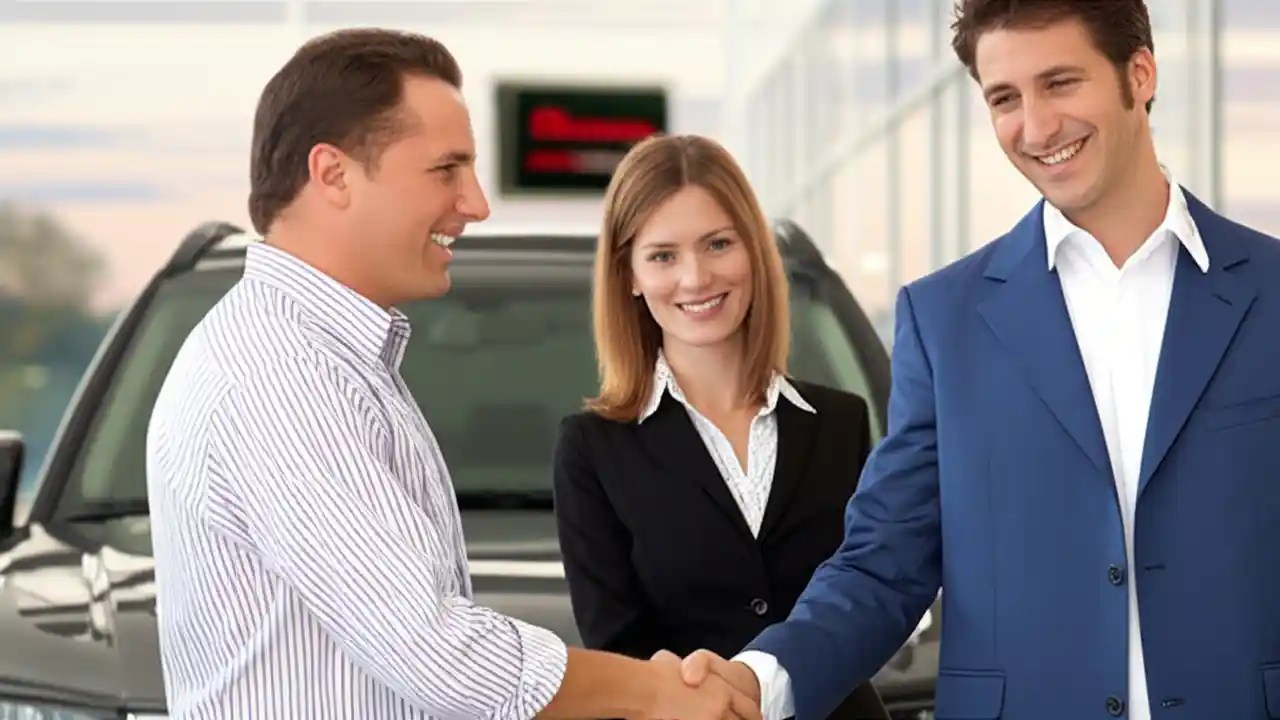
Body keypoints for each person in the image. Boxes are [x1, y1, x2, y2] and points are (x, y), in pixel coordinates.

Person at [676, 1, 1280, 719]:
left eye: (1060, 83)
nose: (1036, 126)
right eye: (1004, 98)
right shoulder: (945, 319)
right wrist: (760, 678)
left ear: (1140, 74)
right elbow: (884, 563)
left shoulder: (1269, 292)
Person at [144, 28, 760, 720]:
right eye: (447, 169)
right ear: (333, 174)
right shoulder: (279, 376)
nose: (476, 202)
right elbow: (440, 656)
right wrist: (654, 693)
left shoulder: (327, 358)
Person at [550, 134, 890, 720]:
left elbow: (867, 600)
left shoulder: (840, 423)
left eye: (717, 244)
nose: (696, 277)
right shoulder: (593, 448)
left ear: (753, 252)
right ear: (628, 274)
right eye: (663, 255)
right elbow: (618, 647)